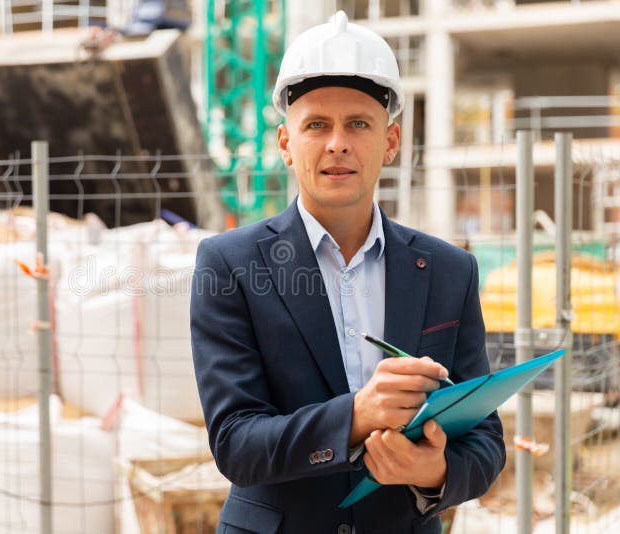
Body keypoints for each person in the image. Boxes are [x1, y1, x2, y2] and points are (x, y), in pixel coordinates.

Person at [190, 11, 505, 534]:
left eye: (359, 123)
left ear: (391, 142)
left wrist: (437, 473)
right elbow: (235, 444)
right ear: (286, 144)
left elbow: (485, 439)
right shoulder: (230, 264)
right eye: (316, 125)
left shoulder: (450, 271)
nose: (338, 142)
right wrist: (357, 416)